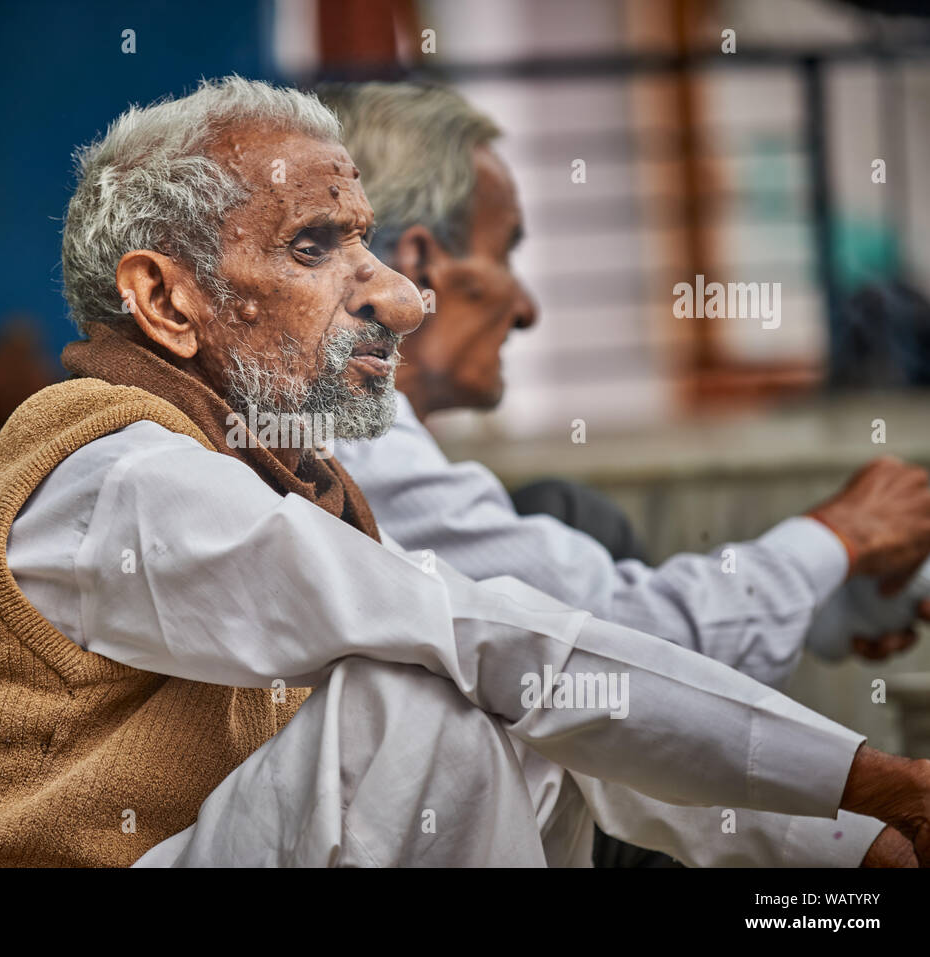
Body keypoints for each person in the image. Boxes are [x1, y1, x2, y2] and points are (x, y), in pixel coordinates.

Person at [0, 78, 930, 869]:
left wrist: (839, 839)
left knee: (479, 700)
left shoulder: (264, 463)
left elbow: (536, 688)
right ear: (165, 300)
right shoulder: (124, 472)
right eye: (314, 247)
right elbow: (490, 643)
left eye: (365, 241)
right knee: (419, 704)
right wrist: (869, 780)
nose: (397, 297)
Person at [317, 80, 930, 866]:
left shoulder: (353, 448)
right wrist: (837, 537)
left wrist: (826, 591)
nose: (527, 308)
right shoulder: (342, 442)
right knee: (575, 536)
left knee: (566, 521)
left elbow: (609, 661)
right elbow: (624, 659)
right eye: (506, 253)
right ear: (422, 263)